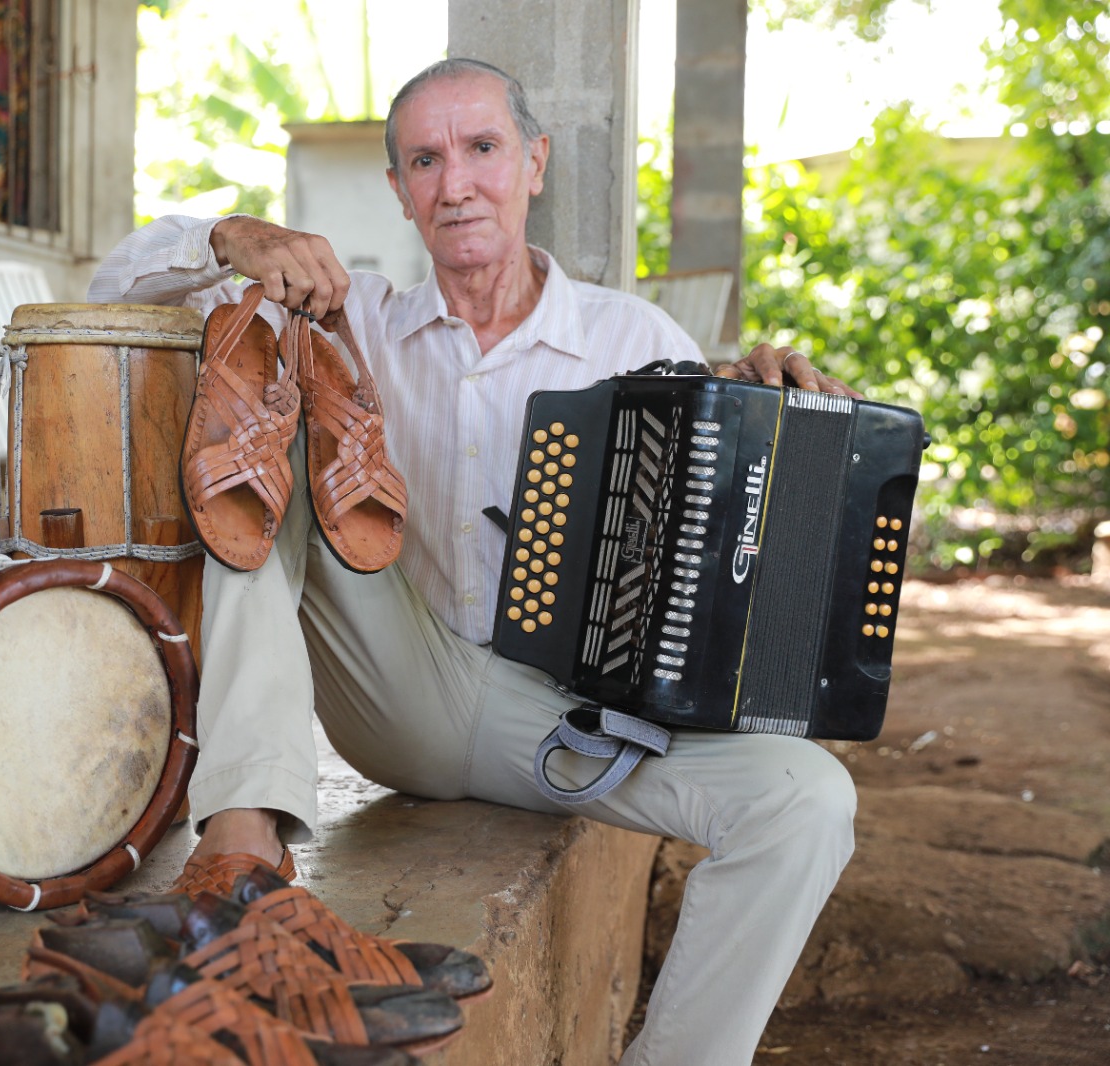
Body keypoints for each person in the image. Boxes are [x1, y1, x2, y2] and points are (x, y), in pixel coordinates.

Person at [89, 57, 859, 1066]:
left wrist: (778, 414)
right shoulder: (351, 319)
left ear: (533, 164)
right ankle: (239, 864)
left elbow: (748, 547)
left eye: (482, 148)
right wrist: (233, 239)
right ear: (400, 191)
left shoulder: (635, 342)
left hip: (570, 718)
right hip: (400, 690)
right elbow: (109, 285)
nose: (455, 183)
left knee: (811, 800)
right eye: (424, 159)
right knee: (261, 427)